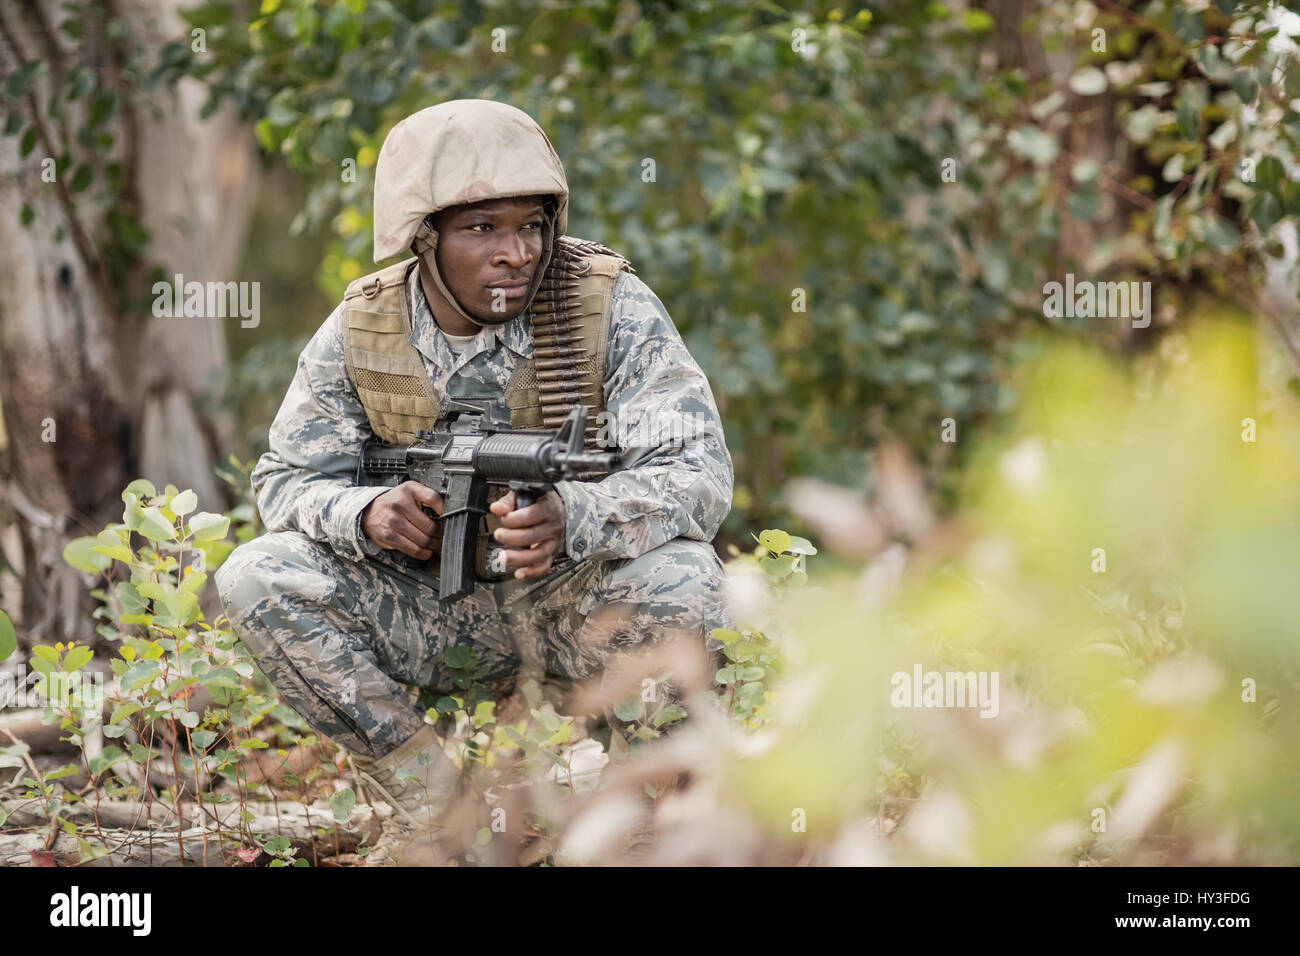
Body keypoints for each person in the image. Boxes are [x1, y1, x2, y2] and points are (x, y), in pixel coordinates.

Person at [214, 99, 735, 865]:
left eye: (530, 225)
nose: (516, 252)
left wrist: (576, 514)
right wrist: (366, 513)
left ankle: (646, 822)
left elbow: (698, 471)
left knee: (686, 579)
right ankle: (434, 813)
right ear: (423, 239)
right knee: (257, 575)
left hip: (574, 602)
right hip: (429, 610)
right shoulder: (365, 327)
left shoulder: (604, 306)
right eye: (482, 228)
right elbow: (287, 478)